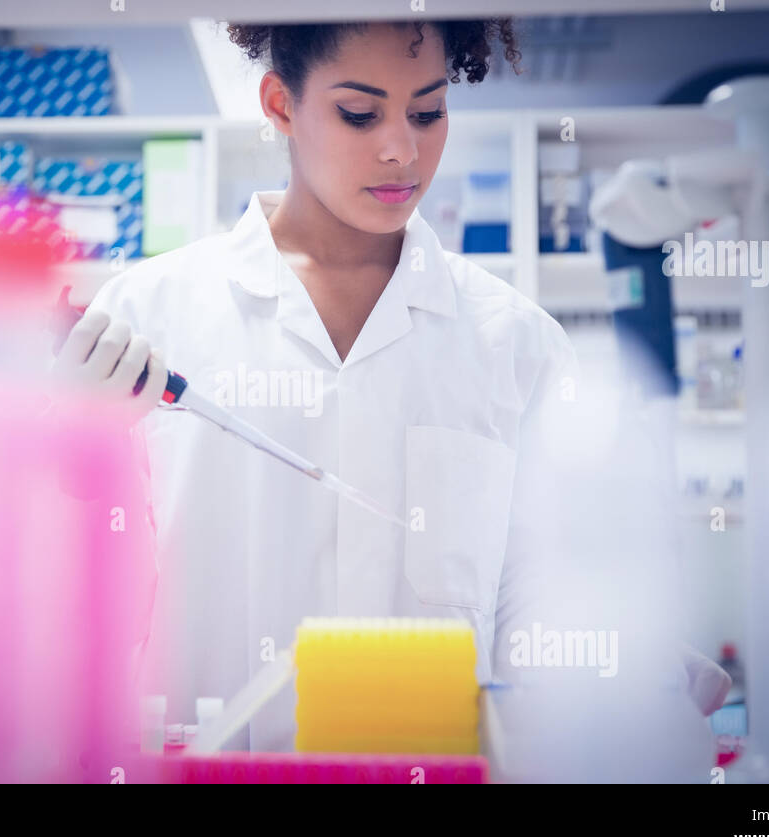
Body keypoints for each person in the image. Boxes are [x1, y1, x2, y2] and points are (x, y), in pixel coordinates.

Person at [53, 18, 583, 752]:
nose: (402, 147)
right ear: (280, 107)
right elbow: (65, 609)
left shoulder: (516, 345)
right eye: (359, 114)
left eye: (428, 112)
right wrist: (66, 459)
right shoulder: (149, 315)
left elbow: (541, 620)